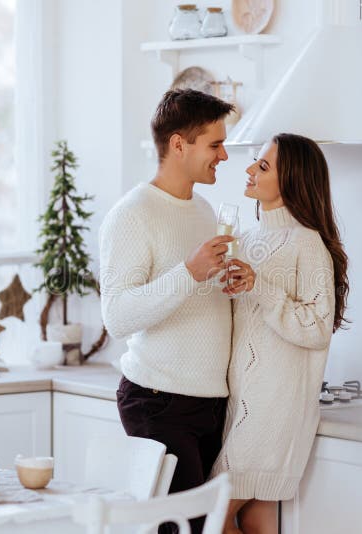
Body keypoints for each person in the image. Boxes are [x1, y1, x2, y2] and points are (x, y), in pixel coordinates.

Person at [99, 89, 257, 533]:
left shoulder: (205, 211)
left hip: (210, 403)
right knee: (187, 529)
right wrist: (189, 271)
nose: (224, 155)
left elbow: (201, 300)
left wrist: (236, 284)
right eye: (215, 144)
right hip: (159, 401)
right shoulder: (132, 215)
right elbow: (117, 316)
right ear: (178, 145)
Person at [211, 133, 350, 534]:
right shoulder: (250, 240)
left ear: (291, 181)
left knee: (215, 513)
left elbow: (318, 327)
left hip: (274, 409)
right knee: (256, 519)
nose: (250, 169)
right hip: (243, 401)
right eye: (256, 161)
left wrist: (260, 287)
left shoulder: (307, 244)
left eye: (263, 166)